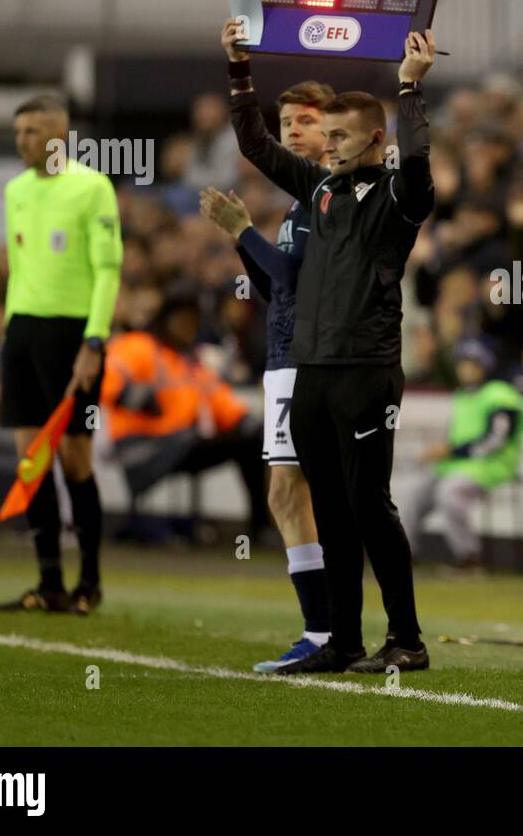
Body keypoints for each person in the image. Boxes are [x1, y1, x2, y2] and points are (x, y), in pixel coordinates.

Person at [223, 18, 435, 674]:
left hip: (367, 368)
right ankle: (342, 640)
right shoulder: (318, 190)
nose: (328, 146)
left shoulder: (397, 194)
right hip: (311, 368)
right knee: (335, 510)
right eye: (326, 135)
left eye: (340, 136)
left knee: (370, 504)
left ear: (375, 138)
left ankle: (407, 638)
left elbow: (419, 161)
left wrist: (409, 90)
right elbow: (257, 146)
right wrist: (239, 70)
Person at [199, 79, 335, 674]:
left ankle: (329, 627)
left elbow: (294, 281)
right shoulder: (301, 206)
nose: (294, 133)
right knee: (291, 492)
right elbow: (272, 285)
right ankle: (328, 628)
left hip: (308, 358)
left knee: (302, 492)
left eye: (304, 121)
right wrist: (244, 240)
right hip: (286, 356)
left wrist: (241, 231)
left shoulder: (331, 197)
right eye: (287, 126)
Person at [0, 95, 123, 616]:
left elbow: (108, 271)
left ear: (58, 136)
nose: (21, 140)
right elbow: (18, 273)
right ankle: (48, 582)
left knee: (74, 461)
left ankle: (88, 582)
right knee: (32, 460)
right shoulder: (15, 191)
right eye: (18, 130)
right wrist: (8, 346)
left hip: (73, 335)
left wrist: (94, 341)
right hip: (22, 332)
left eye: (31, 131)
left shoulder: (92, 187)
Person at [101, 292, 265, 535]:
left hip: (183, 442)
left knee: (251, 442)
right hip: (142, 443)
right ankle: (145, 527)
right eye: (182, 321)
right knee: (207, 441)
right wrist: (136, 397)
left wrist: (245, 420)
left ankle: (260, 527)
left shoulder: (189, 359)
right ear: (166, 320)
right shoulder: (138, 346)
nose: (188, 329)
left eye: (192, 322)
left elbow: (218, 397)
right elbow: (105, 383)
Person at [402, 338, 523, 570]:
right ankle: (403, 556)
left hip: (492, 466)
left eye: (473, 363)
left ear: (484, 366)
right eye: (463, 363)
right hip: (457, 466)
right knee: (413, 492)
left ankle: (469, 559)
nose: (466, 368)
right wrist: (446, 451)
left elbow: (496, 440)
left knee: (450, 492)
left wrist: (450, 450)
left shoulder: (500, 394)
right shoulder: (462, 396)